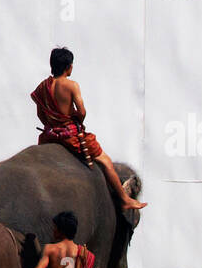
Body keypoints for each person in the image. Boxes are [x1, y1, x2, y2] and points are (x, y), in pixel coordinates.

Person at [31, 48, 147, 211]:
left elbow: (40, 114)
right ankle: (124, 199)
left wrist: (53, 125)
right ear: (68, 67)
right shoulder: (71, 85)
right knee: (106, 162)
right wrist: (73, 117)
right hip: (70, 137)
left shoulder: (42, 87)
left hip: (49, 136)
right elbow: (82, 111)